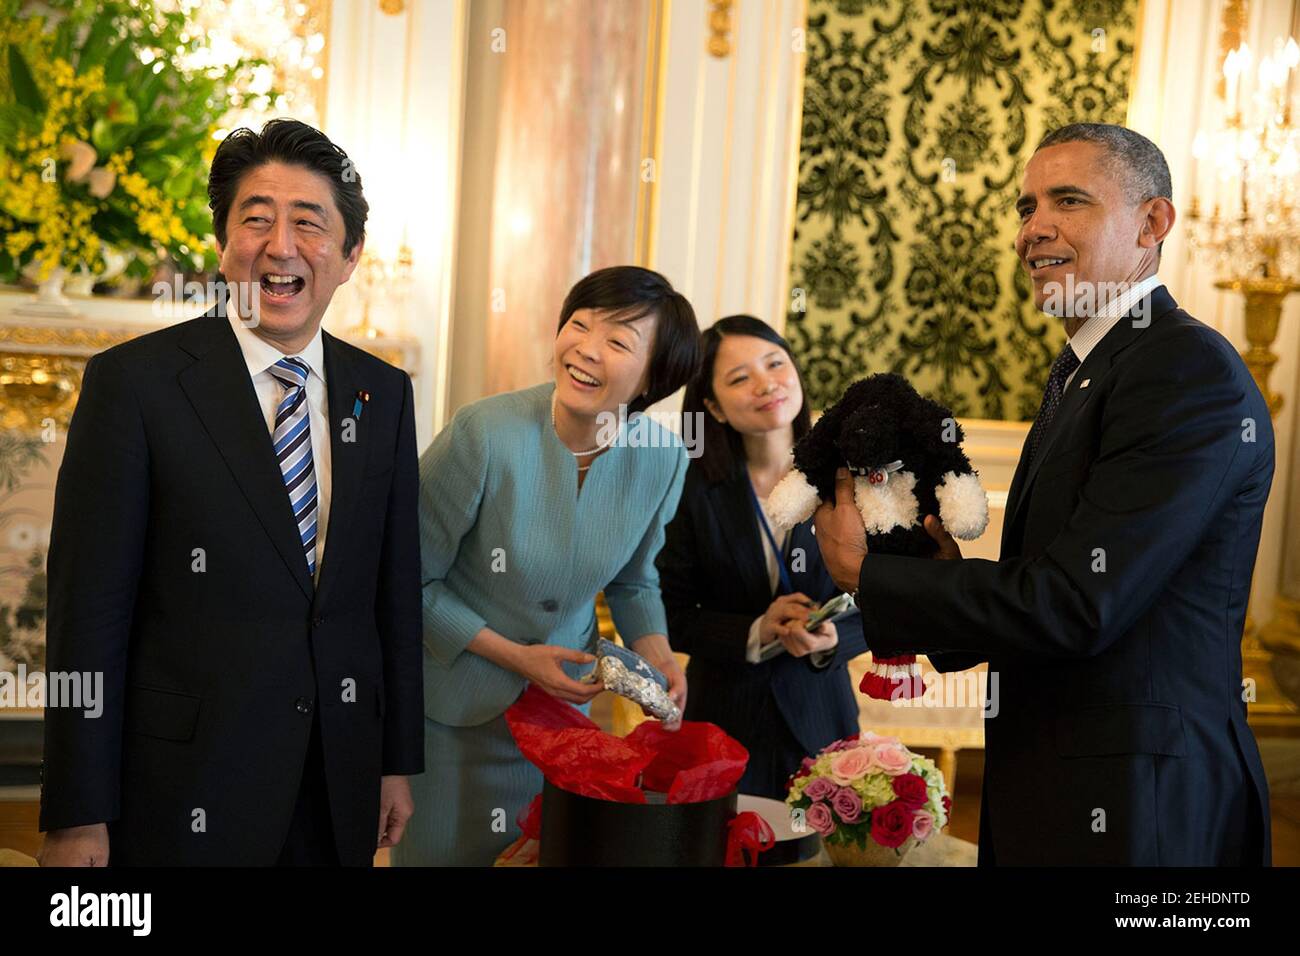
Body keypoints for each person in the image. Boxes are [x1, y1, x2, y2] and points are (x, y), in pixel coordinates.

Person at [814, 123, 1273, 865]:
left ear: (1152, 223)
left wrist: (867, 575)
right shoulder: (1091, 368)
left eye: (1069, 200)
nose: (1034, 229)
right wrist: (929, 570)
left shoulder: (1183, 371)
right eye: (1026, 208)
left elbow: (1079, 603)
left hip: (1140, 810)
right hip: (1068, 784)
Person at [38, 119, 423, 866]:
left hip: (335, 778)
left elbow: (393, 595)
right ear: (223, 246)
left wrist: (394, 758)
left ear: (349, 258)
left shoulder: (384, 395)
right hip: (182, 785)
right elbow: (87, 612)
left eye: (309, 224)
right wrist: (79, 810)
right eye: (256, 219)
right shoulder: (136, 386)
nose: (280, 246)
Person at [393, 265, 700, 866]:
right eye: (579, 325)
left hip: (561, 726)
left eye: (617, 342)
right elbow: (407, 579)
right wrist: (516, 657)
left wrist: (657, 651)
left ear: (654, 376)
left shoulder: (662, 458)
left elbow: (635, 579)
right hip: (451, 708)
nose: (585, 350)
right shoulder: (484, 433)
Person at [656, 316, 868, 799]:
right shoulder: (688, 489)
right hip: (722, 724)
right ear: (713, 406)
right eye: (739, 377)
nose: (766, 383)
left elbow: (890, 597)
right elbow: (669, 614)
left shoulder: (852, 480)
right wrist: (754, 631)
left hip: (822, 722)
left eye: (775, 363)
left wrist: (835, 637)